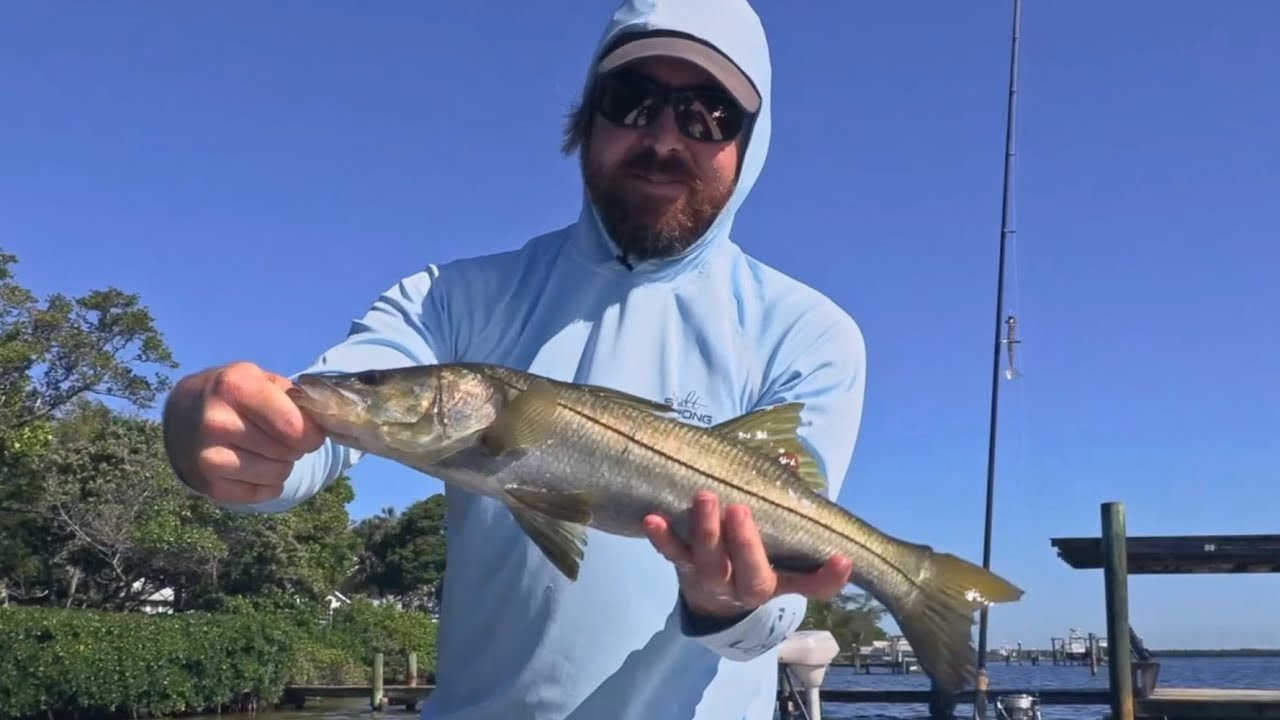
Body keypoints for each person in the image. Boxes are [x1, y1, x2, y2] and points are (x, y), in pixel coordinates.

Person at [162, 0, 867, 717]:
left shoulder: (810, 331)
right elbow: (315, 437)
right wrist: (212, 431)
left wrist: (731, 603)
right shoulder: (448, 297)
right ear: (585, 114)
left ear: (753, 141)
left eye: (710, 114)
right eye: (631, 99)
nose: (662, 136)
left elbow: (771, 623)